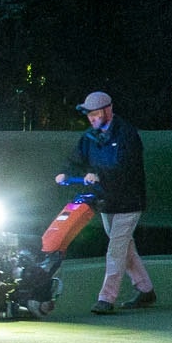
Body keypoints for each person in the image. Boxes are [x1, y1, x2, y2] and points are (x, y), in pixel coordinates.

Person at [57, 90, 154, 315]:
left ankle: (106, 298)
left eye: (95, 113)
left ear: (108, 110)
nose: (91, 118)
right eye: (88, 114)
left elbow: (125, 168)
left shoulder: (127, 135)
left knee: (116, 250)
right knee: (124, 248)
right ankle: (146, 290)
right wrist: (64, 172)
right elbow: (75, 159)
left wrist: (98, 174)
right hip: (105, 201)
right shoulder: (90, 137)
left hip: (128, 203)